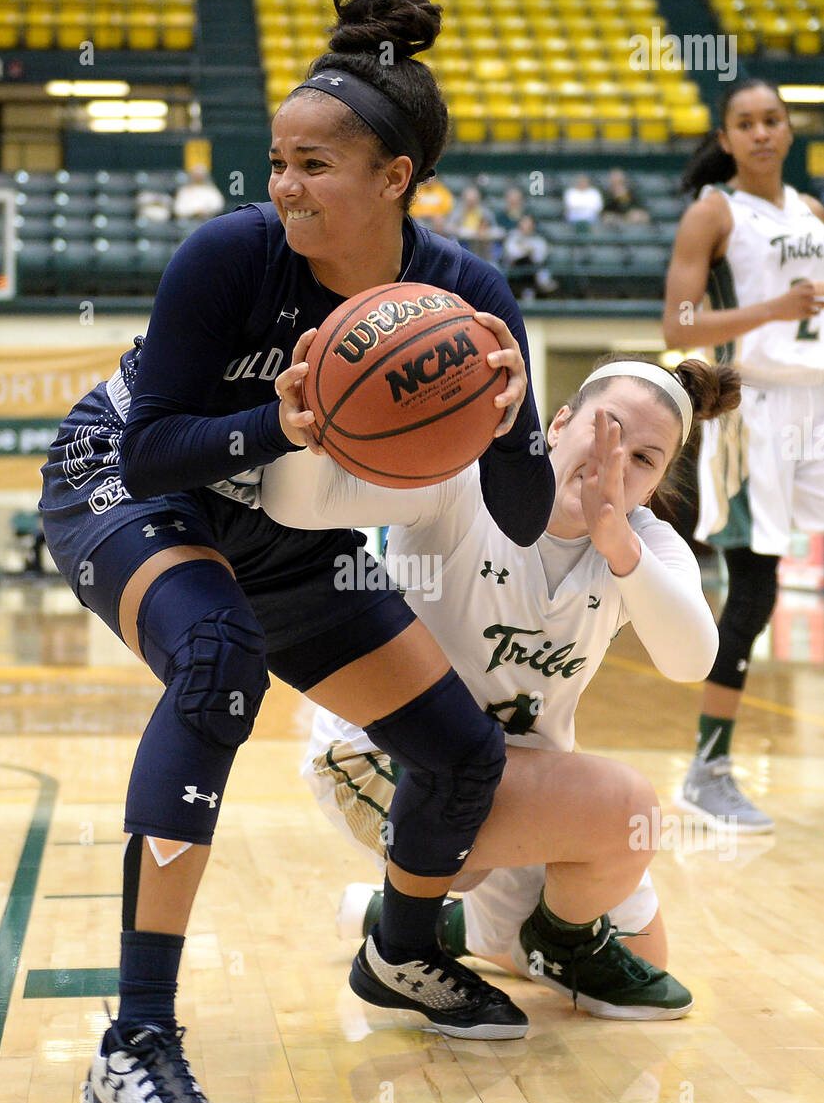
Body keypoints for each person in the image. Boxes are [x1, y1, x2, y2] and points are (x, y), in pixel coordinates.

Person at [36, 0, 553, 1103]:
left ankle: (400, 949)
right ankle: (135, 1044)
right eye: (278, 160)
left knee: (462, 750)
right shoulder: (230, 257)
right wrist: (290, 420)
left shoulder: (468, 298)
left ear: (396, 178)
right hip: (129, 478)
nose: (284, 185)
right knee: (219, 660)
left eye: (314, 165)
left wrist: (518, 416)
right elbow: (159, 441)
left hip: (287, 527)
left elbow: (525, 514)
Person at [262, 354, 739, 1018]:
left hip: (520, 780)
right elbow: (297, 502)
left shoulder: (644, 544)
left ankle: (445, 924)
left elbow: (691, 659)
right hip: (388, 759)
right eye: (605, 434)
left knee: (647, 954)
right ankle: (481, 923)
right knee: (627, 810)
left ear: (660, 478)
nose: (613, 465)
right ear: (560, 422)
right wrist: (297, 426)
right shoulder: (464, 479)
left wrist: (616, 544)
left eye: (643, 460)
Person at [663, 77, 824, 833]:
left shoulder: (813, 213)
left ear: (788, 130)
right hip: (751, 408)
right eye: (744, 123)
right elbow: (680, 323)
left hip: (815, 403)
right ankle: (708, 767)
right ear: (725, 139)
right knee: (754, 590)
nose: (760, 132)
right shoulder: (714, 211)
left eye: (771, 120)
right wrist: (770, 309)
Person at [501, 213, 558, 296]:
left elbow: (539, 258)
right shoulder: (512, 237)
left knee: (531, 263)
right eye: (524, 223)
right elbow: (512, 253)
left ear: (533, 225)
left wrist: (524, 249)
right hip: (514, 273)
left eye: (529, 223)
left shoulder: (539, 240)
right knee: (523, 261)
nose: (526, 226)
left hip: (533, 274)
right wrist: (529, 250)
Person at [448, 183, 504, 260]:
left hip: (483, 245)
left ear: (478, 199)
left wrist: (485, 233)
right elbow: (450, 228)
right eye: (468, 200)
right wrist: (470, 233)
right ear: (464, 199)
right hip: (464, 244)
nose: (471, 203)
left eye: (474, 200)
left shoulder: (486, 213)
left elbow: (495, 230)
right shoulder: (457, 212)